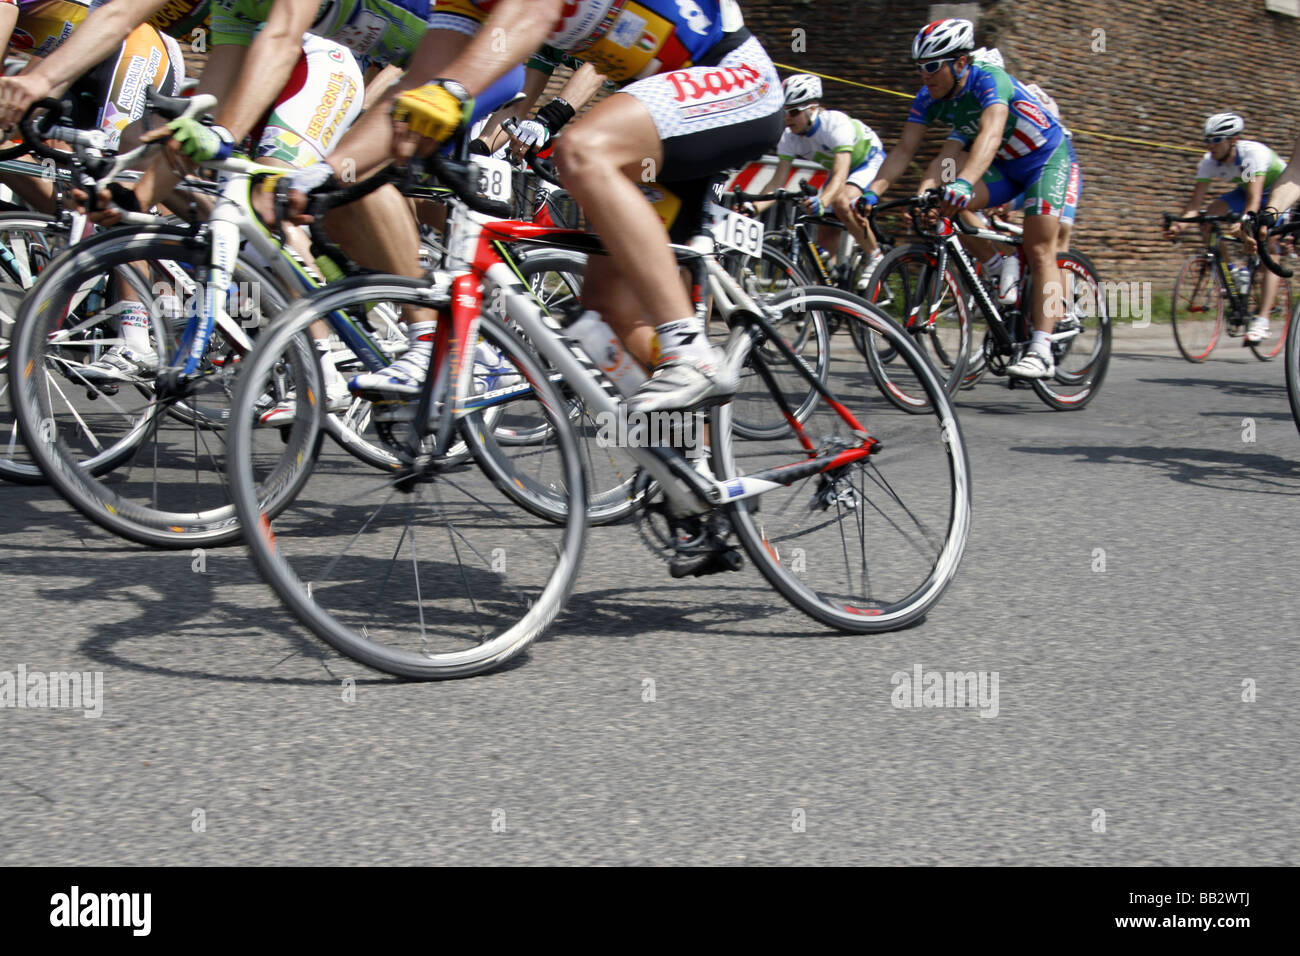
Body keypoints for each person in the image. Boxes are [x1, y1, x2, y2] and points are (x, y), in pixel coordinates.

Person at [284, 0, 784, 415]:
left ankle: (690, 350)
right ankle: (699, 482)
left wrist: (453, 92)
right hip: (663, 115)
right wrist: (325, 170)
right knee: (611, 318)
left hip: (732, 78)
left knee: (582, 149)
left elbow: (533, 14)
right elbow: (419, 84)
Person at [864, 17, 1075, 379]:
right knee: (942, 207)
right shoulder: (930, 97)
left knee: (1040, 247)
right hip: (1006, 167)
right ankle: (997, 265)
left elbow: (990, 135)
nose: (924, 76)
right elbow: (908, 150)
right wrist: (875, 192)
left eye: (932, 67)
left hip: (1044, 160)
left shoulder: (990, 79)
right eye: (920, 68)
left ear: (960, 62)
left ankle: (1042, 348)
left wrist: (964, 183)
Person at [751, 72, 886, 286]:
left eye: (794, 112)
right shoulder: (789, 137)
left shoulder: (835, 124)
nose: (788, 118)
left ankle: (875, 256)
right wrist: (753, 207)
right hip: (840, 168)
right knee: (824, 239)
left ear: (812, 109)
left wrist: (822, 201)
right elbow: (777, 182)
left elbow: (841, 174)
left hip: (867, 160)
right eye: (783, 112)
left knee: (842, 202)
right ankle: (827, 295)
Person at [1165, 113, 1288, 343]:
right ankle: (1232, 270)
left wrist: (1243, 221)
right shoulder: (1208, 161)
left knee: (1269, 247)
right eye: (1207, 140)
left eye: (1216, 140)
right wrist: (1179, 225)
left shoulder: (1252, 155)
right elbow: (1195, 204)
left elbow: (1254, 200)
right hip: (1246, 191)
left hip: (1276, 193)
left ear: (1233, 140)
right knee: (1210, 215)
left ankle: (1262, 320)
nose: (1210, 145)